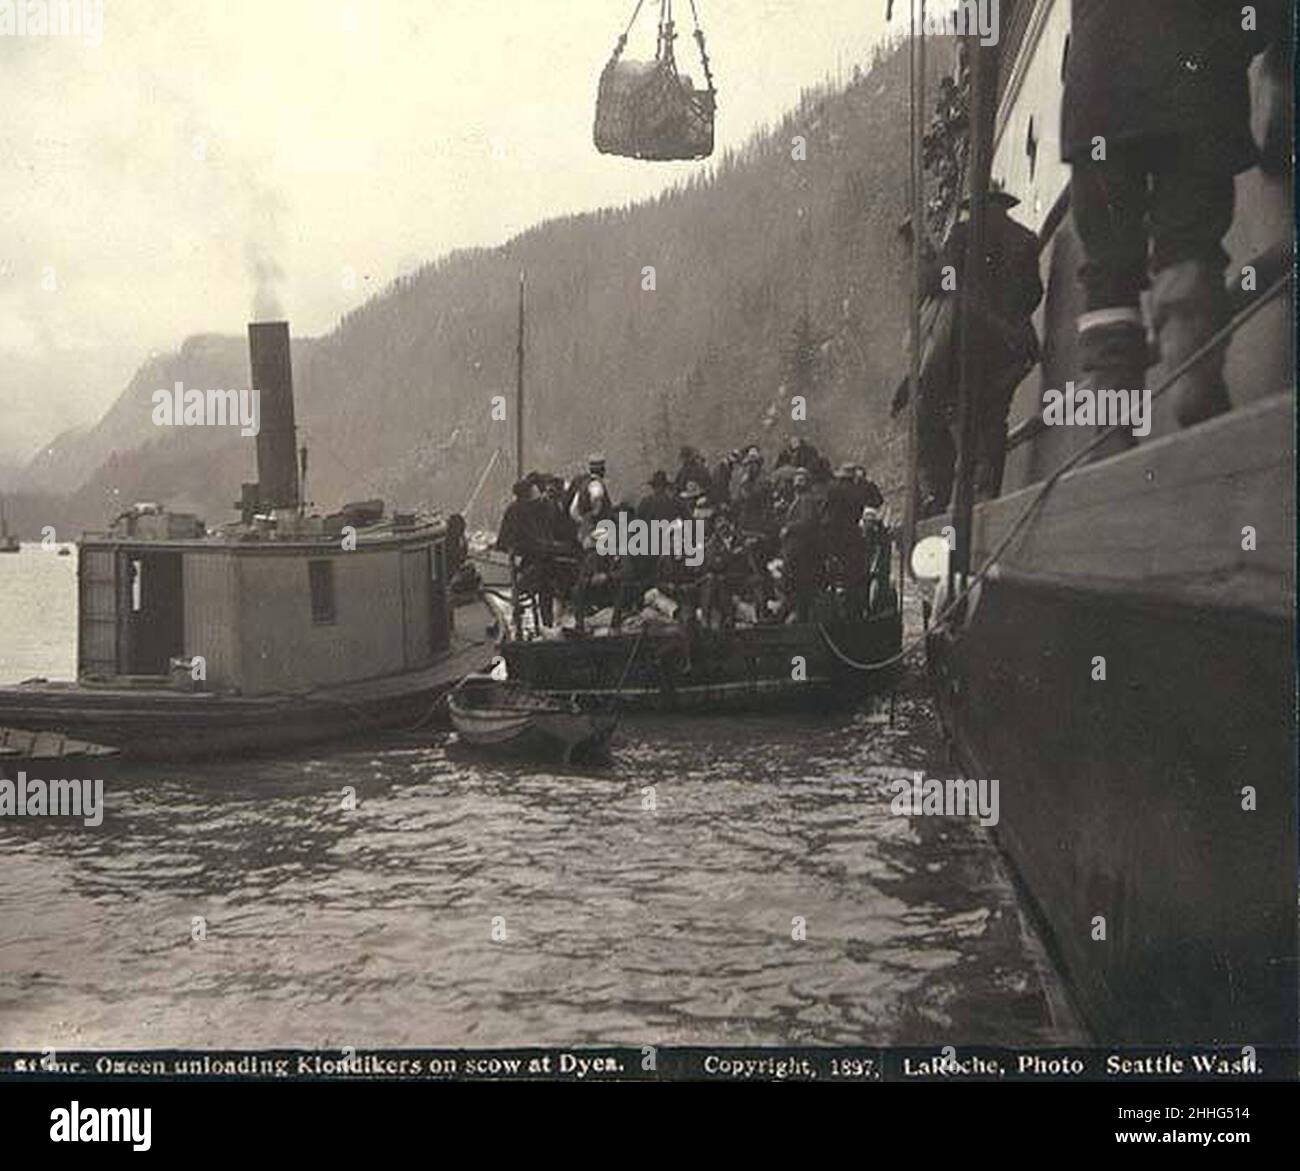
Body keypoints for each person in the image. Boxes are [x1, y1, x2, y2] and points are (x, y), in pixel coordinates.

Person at [1062, 0, 1283, 432]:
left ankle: (1110, 428)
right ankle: (1193, 384)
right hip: (1196, 85)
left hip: (1096, 99)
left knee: (1108, 272)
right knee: (1189, 243)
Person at [779, 468, 826, 623]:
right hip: (798, 554)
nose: (797, 483)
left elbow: (807, 522)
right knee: (798, 590)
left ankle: (797, 620)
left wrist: (788, 528)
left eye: (801, 480)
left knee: (801, 590)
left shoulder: (806, 500)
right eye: (796, 480)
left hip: (803, 554)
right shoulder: (799, 500)